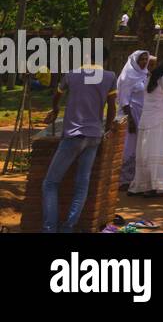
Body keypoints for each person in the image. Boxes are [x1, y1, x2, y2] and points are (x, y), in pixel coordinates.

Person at [42, 61, 117, 232]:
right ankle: (68, 227)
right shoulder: (110, 76)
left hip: (72, 136)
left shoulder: (71, 74)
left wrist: (54, 110)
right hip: (94, 136)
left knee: (50, 183)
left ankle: (49, 229)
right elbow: (111, 106)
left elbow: (57, 95)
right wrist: (106, 131)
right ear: (104, 60)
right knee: (82, 183)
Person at [128, 54, 163, 196]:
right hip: (162, 120)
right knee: (160, 152)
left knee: (146, 153)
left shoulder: (151, 77)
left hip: (147, 119)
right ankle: (155, 186)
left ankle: (143, 185)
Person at [115, 49, 150, 189]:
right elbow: (124, 100)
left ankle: (136, 176)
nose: (144, 62)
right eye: (141, 59)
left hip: (143, 114)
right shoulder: (127, 77)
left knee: (140, 146)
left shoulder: (145, 74)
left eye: (146, 59)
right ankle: (124, 179)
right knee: (129, 145)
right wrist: (130, 120)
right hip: (131, 114)